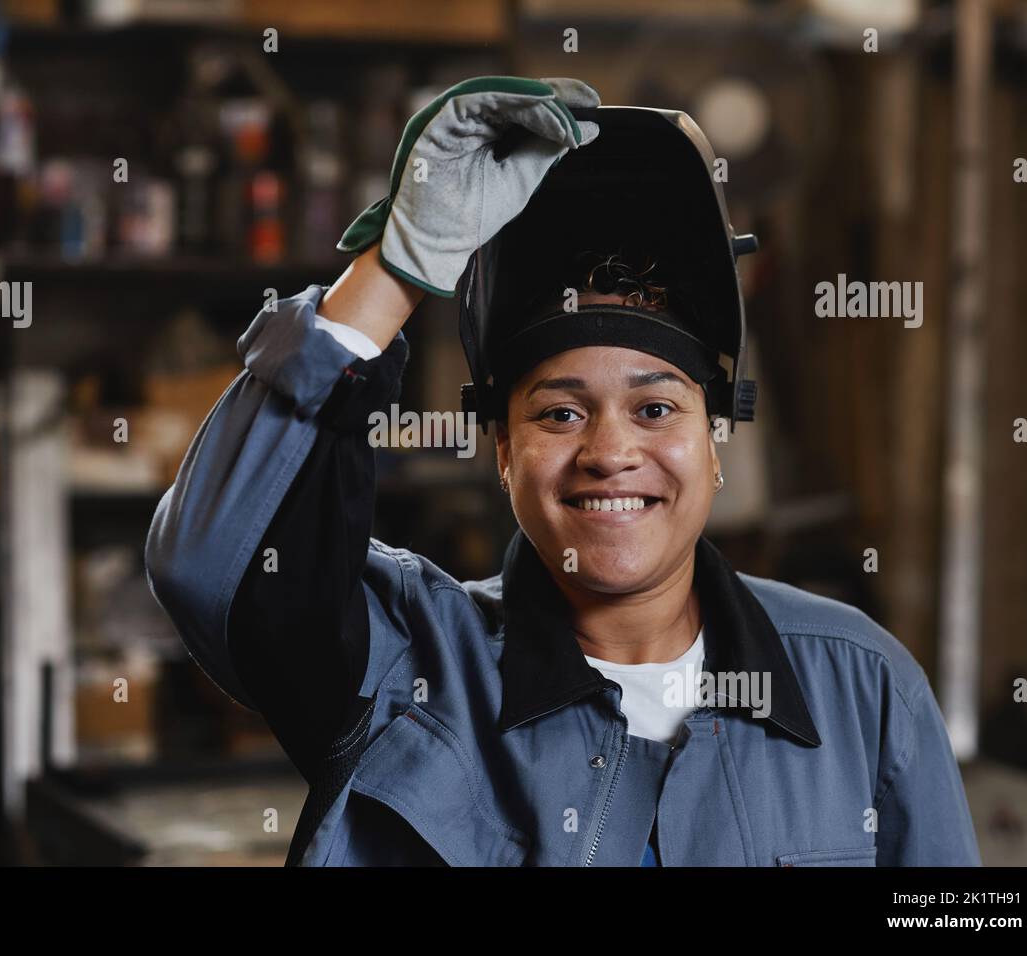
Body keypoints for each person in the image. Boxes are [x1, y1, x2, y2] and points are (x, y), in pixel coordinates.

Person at [145, 77, 981, 866]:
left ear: (715, 442)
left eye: (655, 409)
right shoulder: (406, 671)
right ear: (503, 453)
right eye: (560, 413)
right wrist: (397, 267)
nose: (610, 452)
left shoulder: (861, 686)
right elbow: (215, 568)